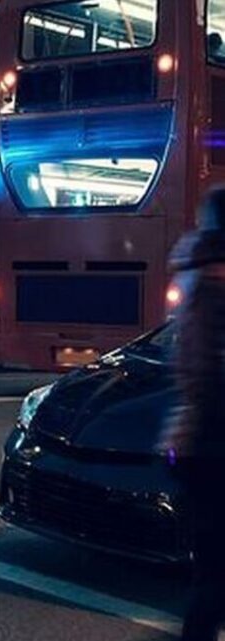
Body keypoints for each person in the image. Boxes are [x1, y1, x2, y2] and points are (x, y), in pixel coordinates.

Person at [161, 186, 225, 641]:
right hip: (216, 441)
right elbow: (209, 373)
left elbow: (191, 368)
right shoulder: (217, 283)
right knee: (216, 576)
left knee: (213, 570)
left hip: (196, 441)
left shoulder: (198, 275)